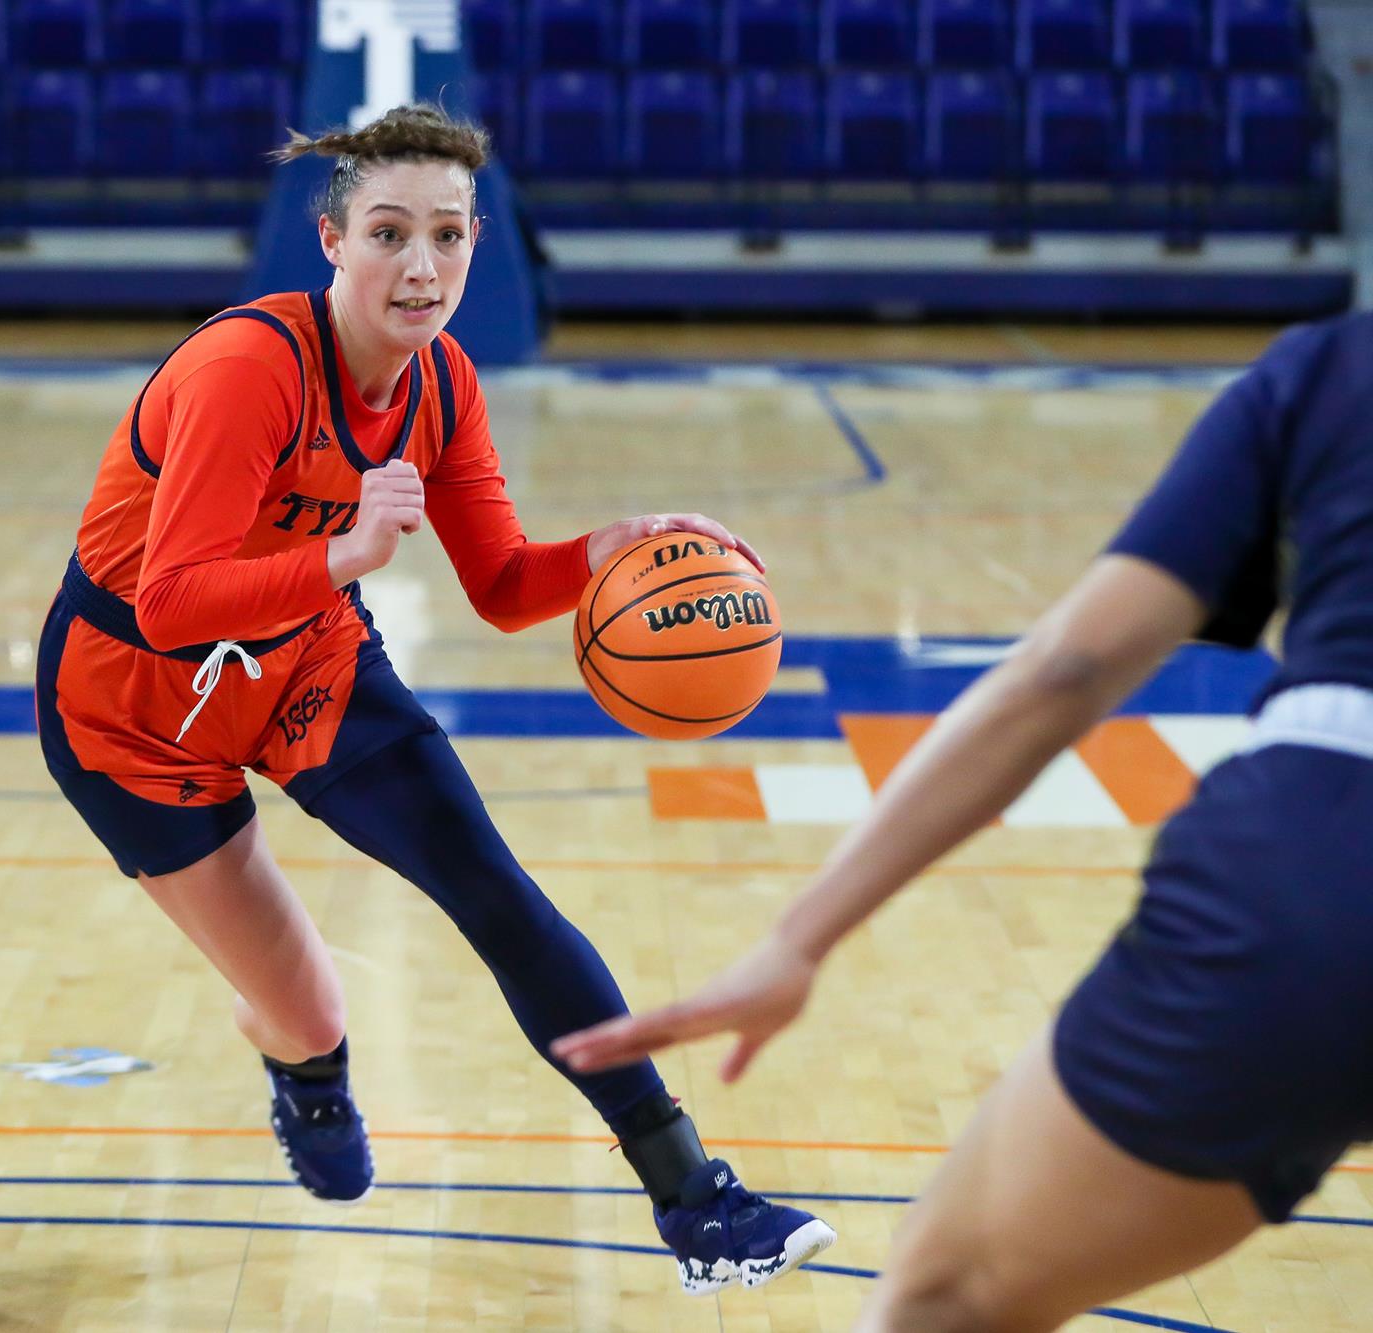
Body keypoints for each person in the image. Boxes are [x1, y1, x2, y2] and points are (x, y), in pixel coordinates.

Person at [34, 103, 835, 1294]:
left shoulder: (441, 380)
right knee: (305, 1008)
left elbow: (506, 586)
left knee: (490, 885)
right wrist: (347, 558)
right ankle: (305, 1077)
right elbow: (173, 602)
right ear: (331, 242)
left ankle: (694, 1201)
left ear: (475, 245)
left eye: (449, 236)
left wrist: (610, 547)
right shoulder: (246, 368)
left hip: (303, 663)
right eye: (389, 232)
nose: (421, 266)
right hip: (129, 706)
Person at [555, 314, 1373, 1327]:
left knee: (944, 1297)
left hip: (1320, 873)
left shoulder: (1330, 372)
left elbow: (1066, 670)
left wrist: (796, 936)